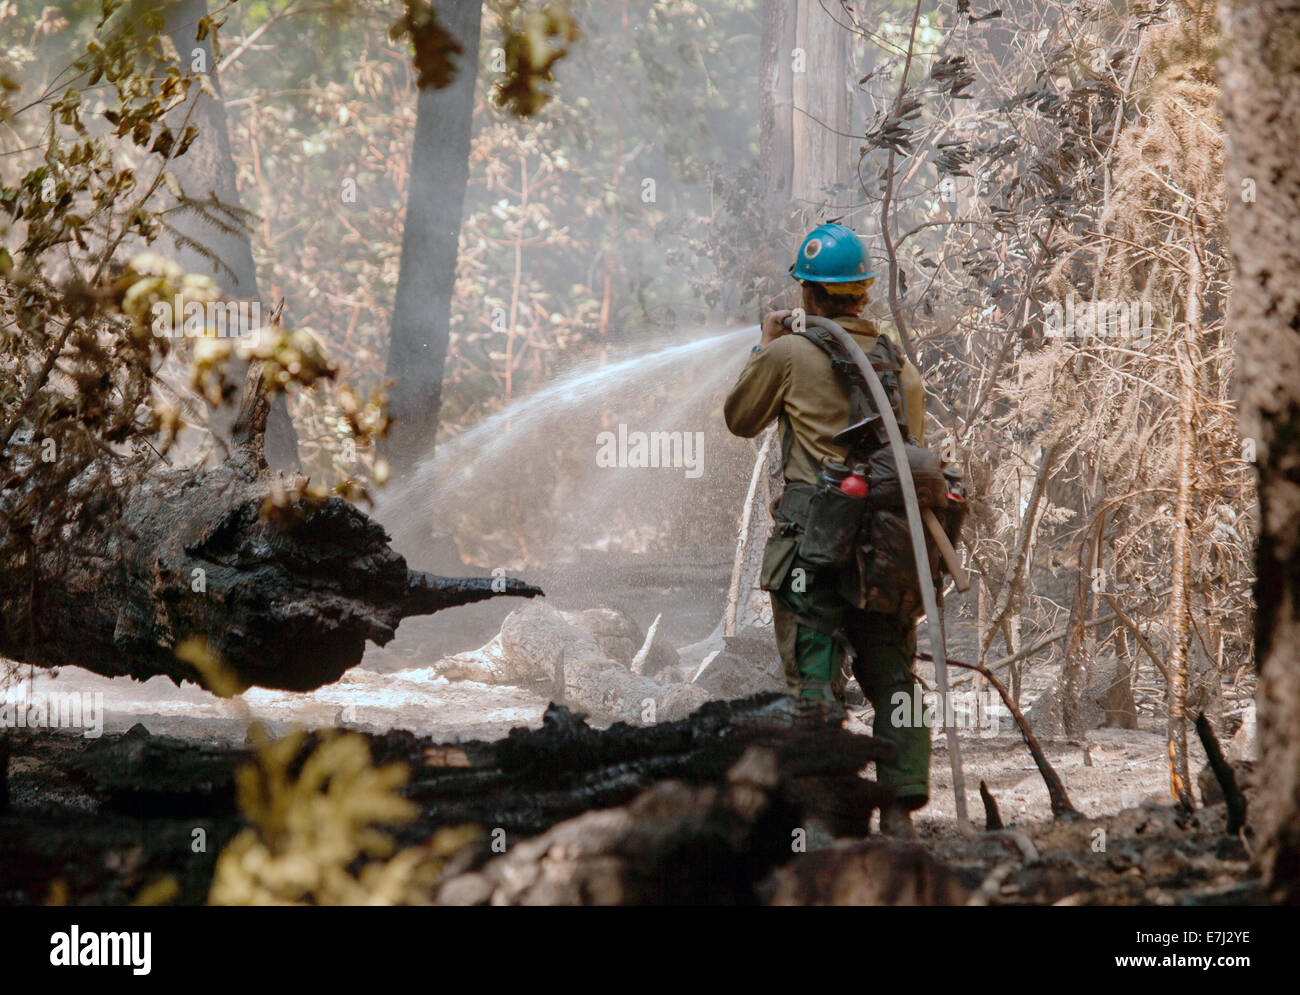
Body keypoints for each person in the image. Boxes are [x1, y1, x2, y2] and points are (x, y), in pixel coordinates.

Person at [723, 222, 931, 837]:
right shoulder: (899, 366)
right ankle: (899, 808)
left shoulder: (788, 355)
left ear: (809, 294)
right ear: (861, 293)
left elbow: (740, 419)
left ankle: (822, 813)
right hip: (886, 549)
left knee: (814, 677)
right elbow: (907, 451)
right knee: (894, 676)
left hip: (813, 548)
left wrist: (764, 344)